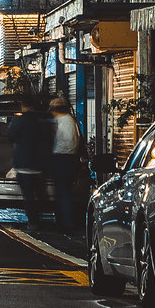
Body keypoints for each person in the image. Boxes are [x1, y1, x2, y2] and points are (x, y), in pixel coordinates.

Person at [4, 95, 52, 224]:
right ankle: (44, 217)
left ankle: (33, 221)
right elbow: (49, 139)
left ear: (23, 106)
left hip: (23, 164)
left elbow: (10, 136)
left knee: (28, 195)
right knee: (41, 193)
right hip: (39, 165)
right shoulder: (42, 120)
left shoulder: (19, 120)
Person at [48, 95, 85, 230]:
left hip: (63, 159)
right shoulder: (71, 121)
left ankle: (66, 222)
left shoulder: (63, 122)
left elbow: (62, 142)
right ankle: (65, 220)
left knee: (63, 192)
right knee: (65, 191)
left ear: (56, 109)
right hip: (69, 159)